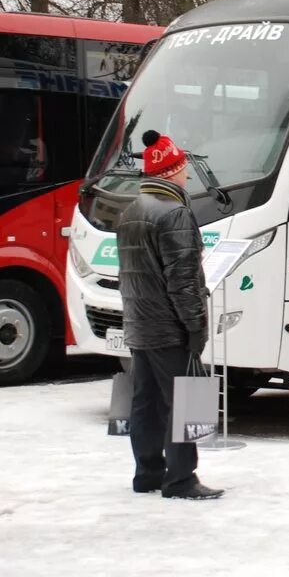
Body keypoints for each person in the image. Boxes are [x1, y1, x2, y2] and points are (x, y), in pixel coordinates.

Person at [116, 129, 224, 500]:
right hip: (169, 326)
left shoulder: (130, 212)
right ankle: (180, 479)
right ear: (169, 173)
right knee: (184, 400)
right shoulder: (175, 213)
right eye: (181, 169)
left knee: (145, 402)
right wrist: (196, 326)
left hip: (139, 324)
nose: (186, 176)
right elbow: (183, 280)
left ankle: (147, 472)